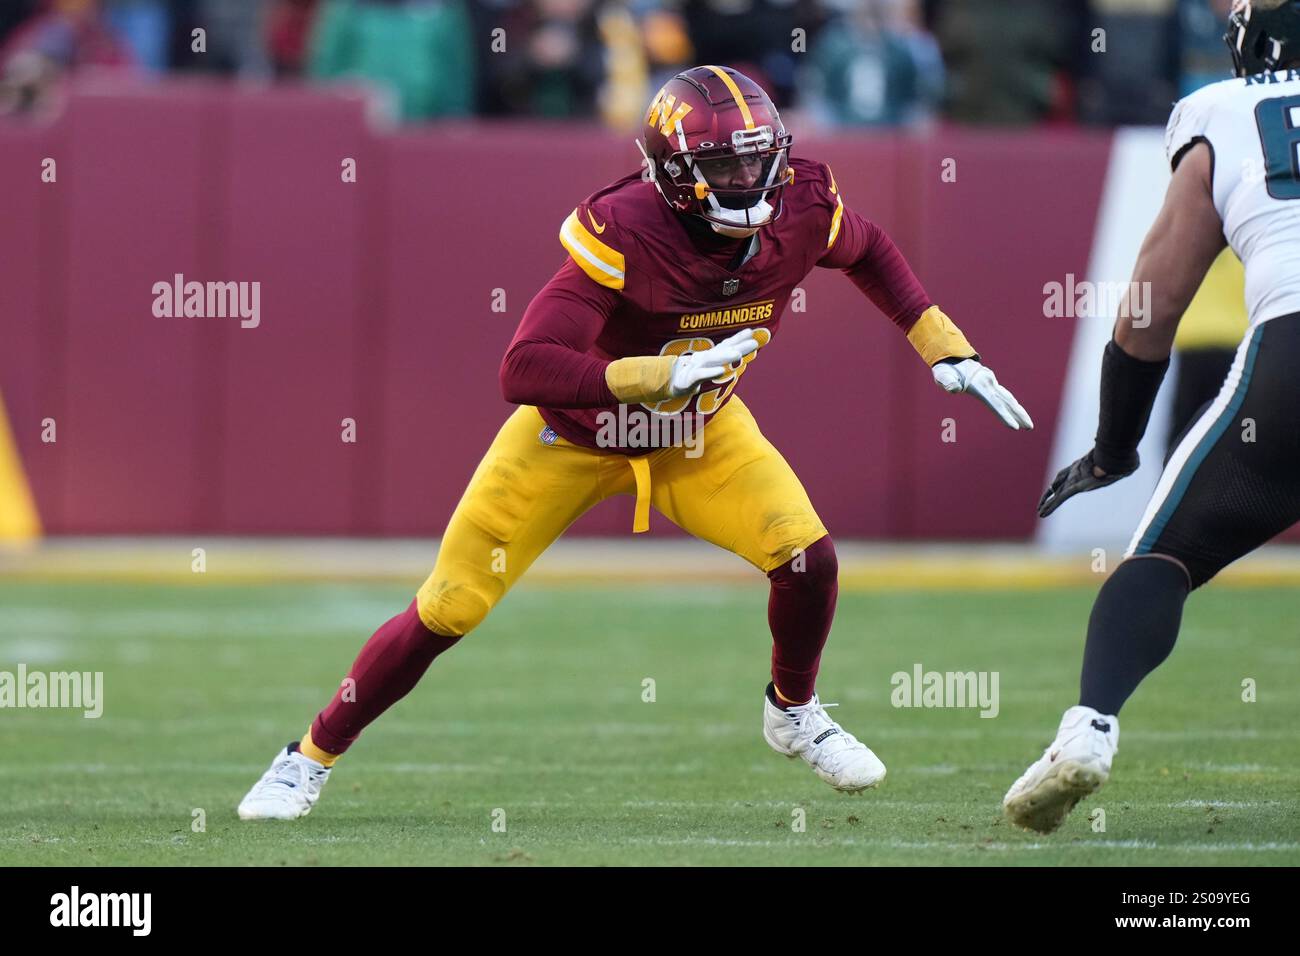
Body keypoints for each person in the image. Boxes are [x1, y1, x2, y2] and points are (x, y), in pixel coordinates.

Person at [238, 64, 1032, 820]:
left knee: (807, 557)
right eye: (725, 169)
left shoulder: (800, 205)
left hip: (698, 432)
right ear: (674, 174)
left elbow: (868, 249)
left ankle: (793, 712)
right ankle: (308, 755)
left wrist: (944, 346)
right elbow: (524, 367)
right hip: (572, 437)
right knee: (447, 610)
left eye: (760, 161)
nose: (750, 184)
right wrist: (651, 377)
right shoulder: (625, 229)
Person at [1005, 0, 1300, 834]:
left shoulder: (1222, 113)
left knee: (1162, 558)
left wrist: (1113, 445)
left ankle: (1089, 727)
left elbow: (1149, 305)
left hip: (1293, 351)